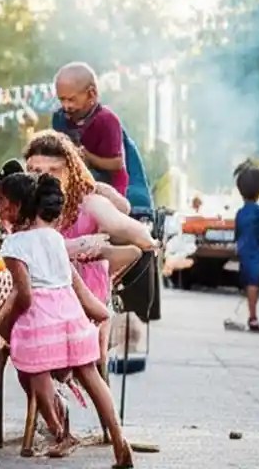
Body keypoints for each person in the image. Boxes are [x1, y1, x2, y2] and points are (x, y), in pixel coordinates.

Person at [0, 172, 132, 467]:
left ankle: (61, 434)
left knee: (37, 372)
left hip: (40, 322)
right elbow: (70, 284)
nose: (0, 210)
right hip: (71, 316)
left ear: (19, 208)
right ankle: (120, 439)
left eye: (3, 203)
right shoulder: (56, 239)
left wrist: (3, 324)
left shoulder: (13, 246)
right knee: (92, 378)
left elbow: (23, 295)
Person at [24, 131, 154, 373]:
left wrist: (145, 239)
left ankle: (103, 405)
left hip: (87, 289)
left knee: (94, 364)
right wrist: (84, 243)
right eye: (36, 170)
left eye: (54, 170)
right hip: (43, 290)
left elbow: (122, 220)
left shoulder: (88, 199)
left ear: (69, 170)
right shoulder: (25, 204)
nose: (44, 177)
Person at [52, 63, 152, 215]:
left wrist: (87, 157)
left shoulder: (106, 120)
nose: (66, 106)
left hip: (111, 184)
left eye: (71, 100)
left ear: (91, 94)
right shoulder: (60, 119)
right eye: (62, 100)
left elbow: (116, 164)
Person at [234, 161, 259, 333]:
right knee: (254, 284)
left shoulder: (240, 213)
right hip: (256, 252)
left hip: (243, 251)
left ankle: (252, 315)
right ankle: (253, 318)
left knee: (250, 284)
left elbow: (238, 234)